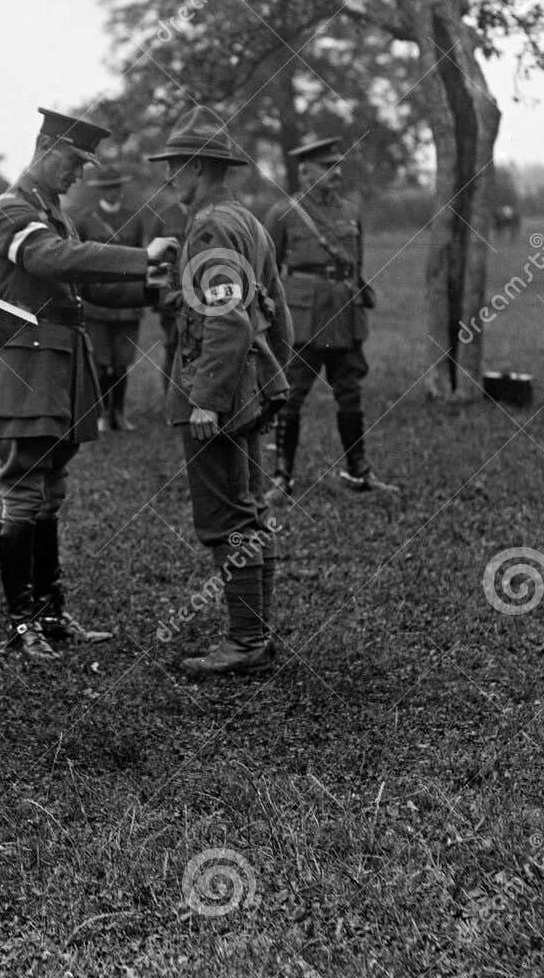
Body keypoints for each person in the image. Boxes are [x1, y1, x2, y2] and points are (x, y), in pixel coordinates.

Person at [0, 108, 177, 662]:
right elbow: (53, 260)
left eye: (83, 166)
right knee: (23, 489)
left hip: (59, 365)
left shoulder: (50, 212)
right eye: (71, 161)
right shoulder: (13, 212)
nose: (77, 175)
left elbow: (84, 288)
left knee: (50, 490)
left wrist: (154, 288)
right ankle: (21, 626)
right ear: (43, 148)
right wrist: (140, 256)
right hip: (26, 367)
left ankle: (51, 614)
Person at [153, 106, 292, 676]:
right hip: (249, 384)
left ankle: (244, 642)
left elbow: (228, 319)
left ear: (195, 166)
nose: (168, 178)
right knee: (250, 510)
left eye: (173, 167)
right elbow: (276, 311)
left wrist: (207, 398)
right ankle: (254, 635)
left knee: (227, 518)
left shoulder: (210, 225)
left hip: (222, 394)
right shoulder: (248, 220)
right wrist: (272, 378)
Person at [265, 136, 397, 497]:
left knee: (350, 393)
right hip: (303, 319)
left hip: (344, 316)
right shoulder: (284, 213)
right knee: (289, 396)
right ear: (306, 173)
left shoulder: (351, 212)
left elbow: (357, 264)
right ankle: (282, 477)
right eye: (327, 167)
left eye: (338, 166)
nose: (336, 173)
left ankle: (359, 471)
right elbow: (268, 271)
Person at [73, 164, 158, 431]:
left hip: (127, 300)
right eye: (107, 187)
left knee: (122, 364)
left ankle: (118, 414)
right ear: (99, 190)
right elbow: (76, 261)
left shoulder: (134, 218)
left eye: (116, 187)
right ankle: (100, 414)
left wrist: (148, 292)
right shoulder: (85, 220)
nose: (112, 192)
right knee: (100, 363)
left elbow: (144, 257)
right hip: (96, 302)